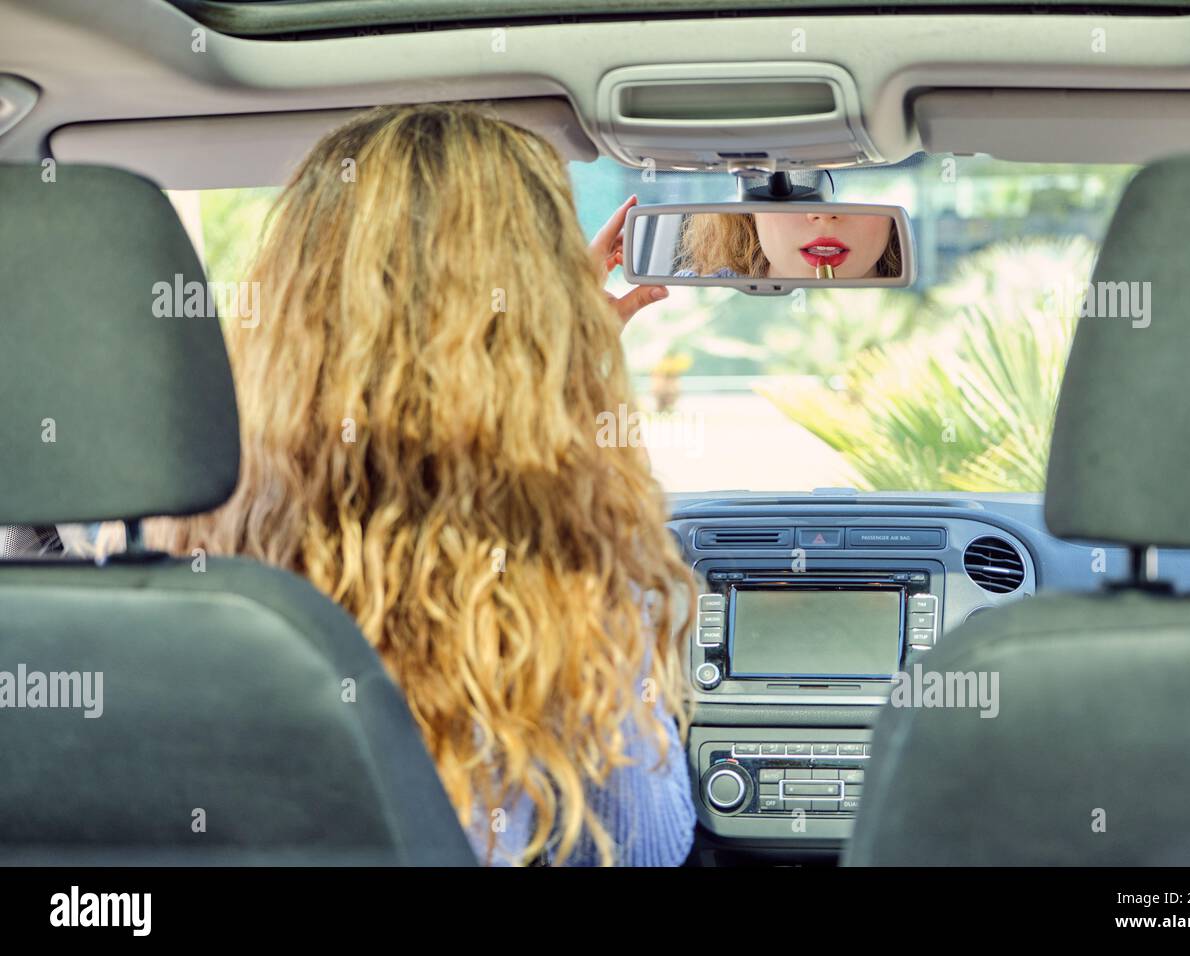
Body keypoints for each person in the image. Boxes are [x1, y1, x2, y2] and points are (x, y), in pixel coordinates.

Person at [146, 104, 696, 866]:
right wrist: (574, 391)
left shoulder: (177, 555)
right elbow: (644, 847)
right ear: (543, 325)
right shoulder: (563, 587)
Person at [675, 209, 901, 279]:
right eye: (788, 184)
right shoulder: (690, 292)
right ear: (750, 211)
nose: (823, 213)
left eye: (856, 181)